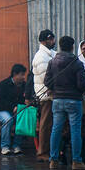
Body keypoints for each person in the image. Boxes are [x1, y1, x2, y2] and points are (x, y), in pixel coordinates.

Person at [45, 36, 85, 170]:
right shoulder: (77, 63)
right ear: (72, 47)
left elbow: (47, 82)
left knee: (56, 129)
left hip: (57, 100)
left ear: (60, 46)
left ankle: (53, 160)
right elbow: (82, 85)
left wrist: (55, 89)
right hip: (74, 101)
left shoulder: (52, 62)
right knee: (75, 130)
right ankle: (76, 161)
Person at [30, 29, 57, 158]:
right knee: (45, 124)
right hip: (46, 96)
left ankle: (48, 150)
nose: (52, 41)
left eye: (52, 38)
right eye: (50, 39)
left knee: (50, 124)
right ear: (43, 41)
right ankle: (42, 152)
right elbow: (46, 78)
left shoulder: (50, 54)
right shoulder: (41, 56)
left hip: (50, 95)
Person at [0, 64, 27, 155]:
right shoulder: (4, 84)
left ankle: (17, 146)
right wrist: (12, 107)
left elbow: (25, 99)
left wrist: (20, 107)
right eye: (21, 74)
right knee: (8, 120)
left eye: (24, 74)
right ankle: (5, 147)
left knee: (22, 118)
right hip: (3, 111)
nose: (23, 77)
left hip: (18, 111)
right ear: (14, 74)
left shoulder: (24, 85)